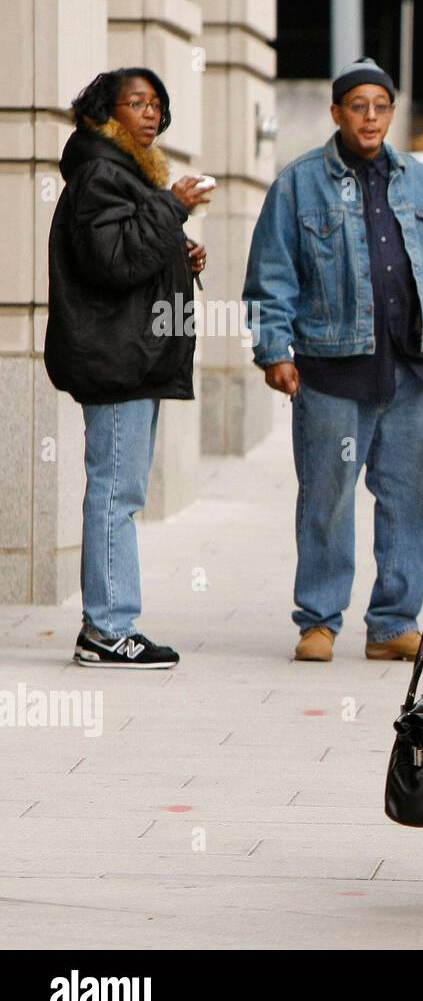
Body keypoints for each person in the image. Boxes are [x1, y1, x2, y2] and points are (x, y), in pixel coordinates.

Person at [243, 57, 423, 664]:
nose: (370, 117)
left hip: (411, 370)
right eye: (358, 106)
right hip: (331, 369)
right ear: (337, 112)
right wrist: (272, 350)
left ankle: (394, 622)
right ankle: (319, 620)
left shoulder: (419, 180)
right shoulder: (298, 182)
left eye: (381, 106)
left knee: (409, 497)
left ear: (392, 113)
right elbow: (271, 273)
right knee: (327, 496)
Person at [46, 67, 210, 668]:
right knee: (115, 492)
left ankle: (111, 623)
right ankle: (107, 629)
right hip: (114, 360)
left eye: (156, 103)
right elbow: (111, 263)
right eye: (135, 102)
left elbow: (130, 258)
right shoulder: (101, 173)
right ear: (106, 111)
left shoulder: (126, 173)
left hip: (132, 356)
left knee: (123, 490)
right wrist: (172, 207)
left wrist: (178, 255)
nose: (149, 112)